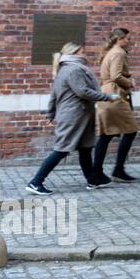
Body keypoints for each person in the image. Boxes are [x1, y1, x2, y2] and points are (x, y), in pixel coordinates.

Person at [26, 43, 120, 195]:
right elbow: (82, 92)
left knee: (85, 149)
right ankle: (36, 182)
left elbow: (54, 95)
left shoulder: (64, 69)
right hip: (74, 116)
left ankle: (92, 180)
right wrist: (107, 97)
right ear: (75, 53)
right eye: (83, 51)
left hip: (77, 116)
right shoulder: (74, 69)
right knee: (62, 150)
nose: (85, 54)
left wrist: (50, 114)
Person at [95, 27, 140, 182]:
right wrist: (130, 82)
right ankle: (117, 170)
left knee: (106, 135)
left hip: (108, 94)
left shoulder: (111, 52)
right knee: (130, 130)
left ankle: (99, 171)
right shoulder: (118, 53)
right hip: (116, 95)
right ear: (119, 39)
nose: (129, 41)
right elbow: (116, 76)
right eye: (127, 38)